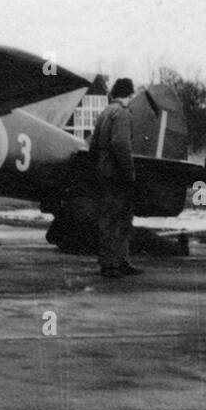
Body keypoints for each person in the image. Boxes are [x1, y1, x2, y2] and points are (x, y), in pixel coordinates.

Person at [91, 77, 141, 278]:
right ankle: (117, 263)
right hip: (117, 173)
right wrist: (129, 173)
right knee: (120, 218)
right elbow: (121, 145)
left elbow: (93, 144)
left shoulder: (105, 112)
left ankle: (109, 262)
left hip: (104, 170)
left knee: (107, 218)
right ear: (130, 94)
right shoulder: (121, 113)